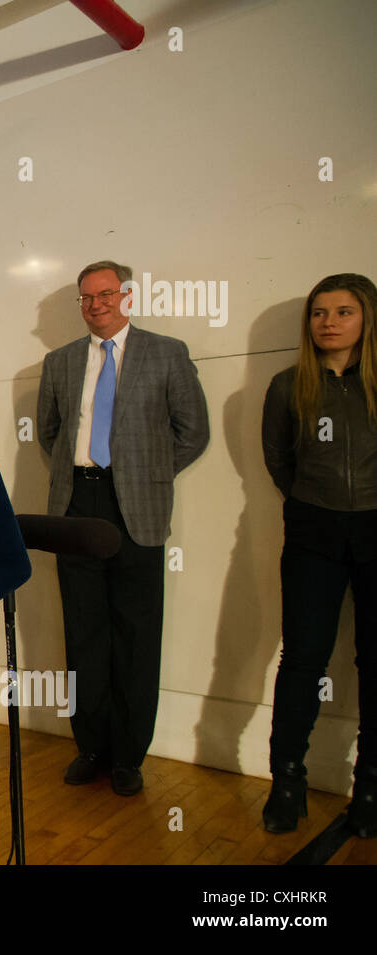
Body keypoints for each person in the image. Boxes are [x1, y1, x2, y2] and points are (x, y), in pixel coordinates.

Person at [36, 259, 209, 797]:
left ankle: (129, 757)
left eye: (106, 294)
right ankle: (91, 746)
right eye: (87, 298)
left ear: (126, 296)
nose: (96, 305)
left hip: (138, 506)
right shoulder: (60, 361)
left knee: (135, 634)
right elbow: (50, 435)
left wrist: (146, 475)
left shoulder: (166, 353)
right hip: (78, 504)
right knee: (84, 631)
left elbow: (193, 431)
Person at [260, 272, 377, 837]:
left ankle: (370, 787)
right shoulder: (288, 385)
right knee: (304, 659)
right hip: (313, 530)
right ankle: (287, 780)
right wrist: (314, 506)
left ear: (366, 318)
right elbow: (279, 461)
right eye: (319, 312)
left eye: (343, 311)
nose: (329, 322)